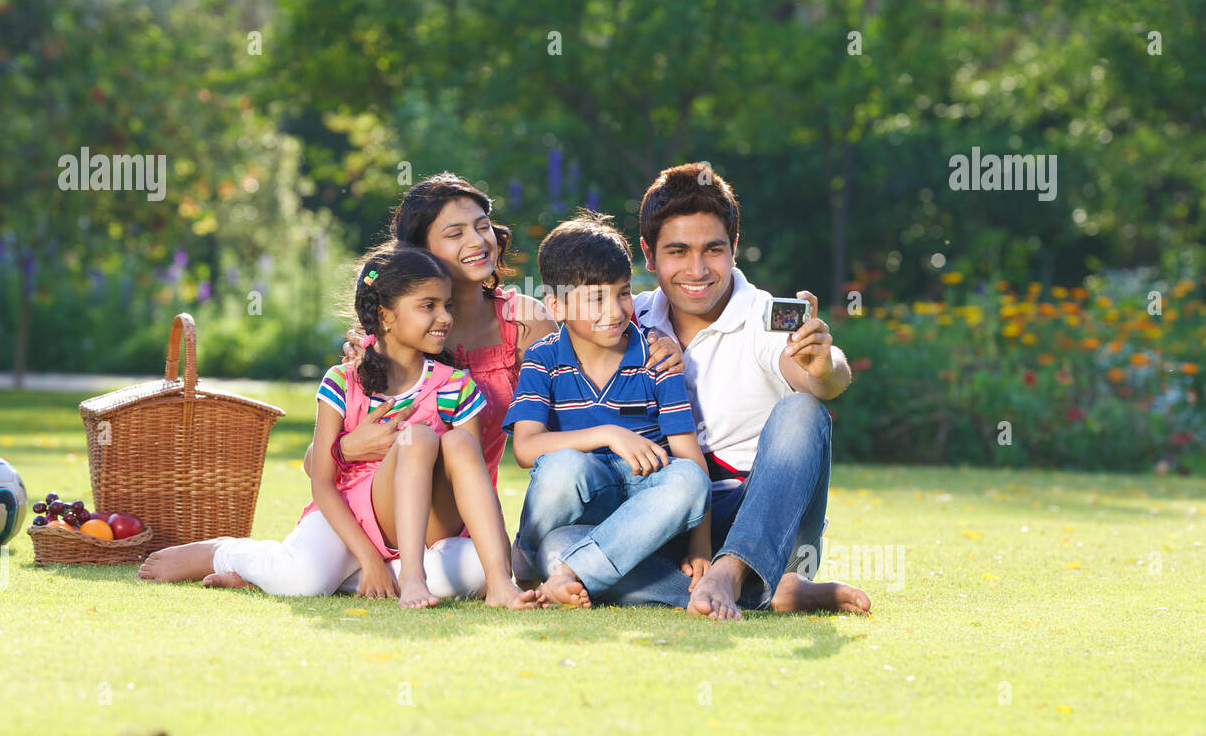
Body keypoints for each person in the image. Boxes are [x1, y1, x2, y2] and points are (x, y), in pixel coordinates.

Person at [299, 173, 684, 587]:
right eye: (455, 232)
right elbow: (315, 466)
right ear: (420, 251)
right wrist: (350, 445)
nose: (478, 240)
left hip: (458, 522)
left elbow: (597, 326)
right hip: (371, 505)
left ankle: (382, 573)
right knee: (300, 573)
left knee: (484, 572)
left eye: (483, 226)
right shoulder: (392, 336)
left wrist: (657, 343)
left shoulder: (524, 321)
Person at [530, 163, 873, 620]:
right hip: (662, 518)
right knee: (559, 549)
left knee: (803, 411)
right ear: (650, 258)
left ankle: (733, 574)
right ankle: (766, 596)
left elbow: (825, 383)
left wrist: (823, 365)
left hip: (763, 518)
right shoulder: (628, 318)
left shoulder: (762, 315)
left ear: (733, 249)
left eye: (713, 250)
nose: (697, 269)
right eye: (678, 251)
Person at [140, 242, 542, 610]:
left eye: (447, 305)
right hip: (352, 515)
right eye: (428, 306)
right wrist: (369, 557)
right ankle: (226, 552)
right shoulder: (342, 380)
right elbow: (322, 481)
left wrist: (497, 571)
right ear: (385, 315)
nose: (445, 318)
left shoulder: (455, 385)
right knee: (302, 579)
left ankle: (493, 587)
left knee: (475, 561)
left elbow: (470, 481)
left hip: (428, 531)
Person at [504, 212, 713, 607]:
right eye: (595, 298)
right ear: (557, 306)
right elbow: (525, 449)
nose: (615, 310)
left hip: (642, 508)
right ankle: (531, 564)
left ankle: (571, 573)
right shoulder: (542, 359)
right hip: (577, 513)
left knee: (688, 478)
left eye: (622, 292)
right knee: (564, 466)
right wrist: (609, 434)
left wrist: (701, 546)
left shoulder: (657, 357)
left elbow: (688, 456)